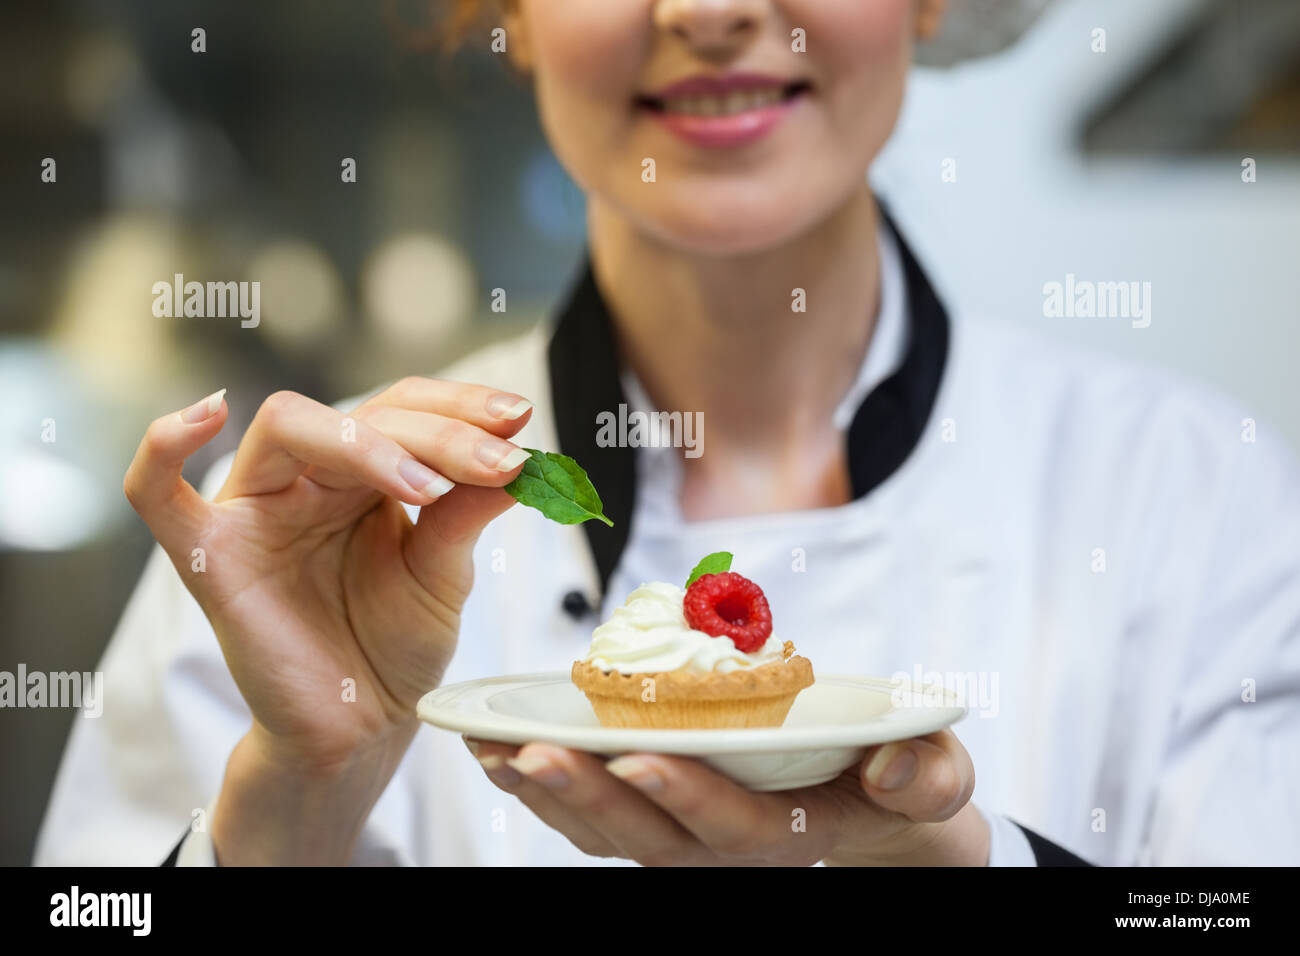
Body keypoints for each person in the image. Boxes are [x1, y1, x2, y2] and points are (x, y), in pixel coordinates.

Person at [36, 0, 1300, 867]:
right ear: (511, 15)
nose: (707, 10)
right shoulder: (306, 533)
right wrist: (290, 802)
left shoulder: (1189, 494)